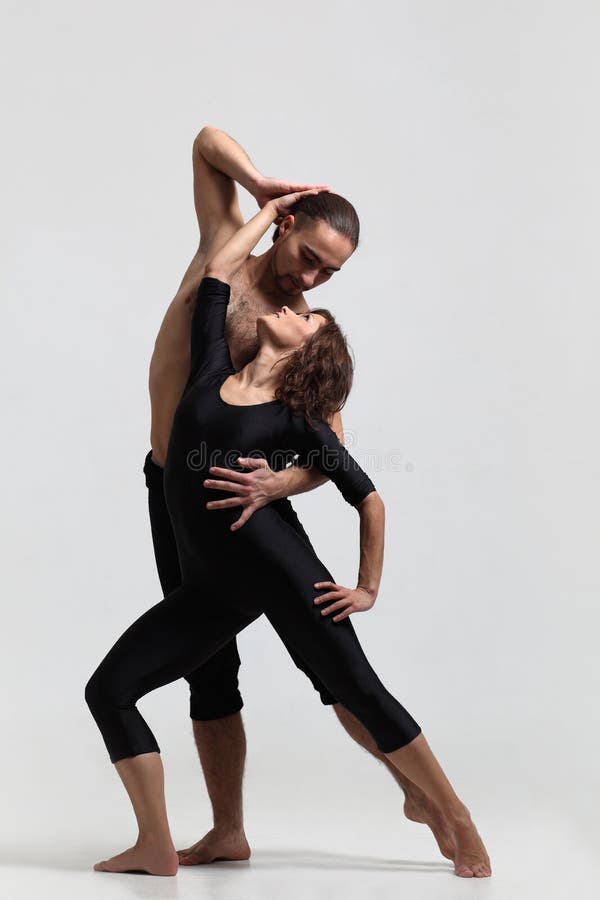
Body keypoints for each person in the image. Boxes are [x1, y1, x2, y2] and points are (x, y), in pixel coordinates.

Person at [85, 193, 492, 879]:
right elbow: (218, 272)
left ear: (313, 351)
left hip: (273, 560)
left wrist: (364, 585)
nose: (300, 303)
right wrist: (268, 205)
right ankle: (165, 844)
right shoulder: (214, 367)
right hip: (213, 578)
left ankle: (453, 814)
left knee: (351, 685)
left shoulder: (295, 419)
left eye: (315, 313)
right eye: (309, 264)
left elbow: (367, 496)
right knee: (113, 689)